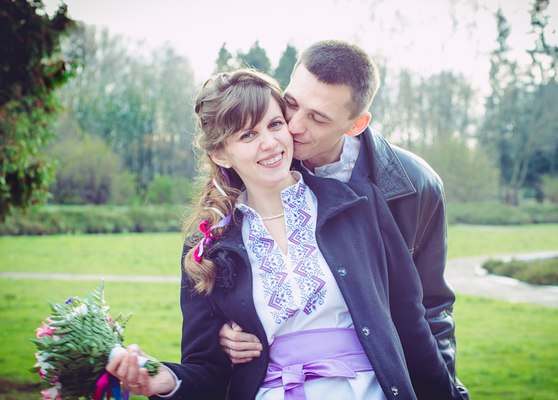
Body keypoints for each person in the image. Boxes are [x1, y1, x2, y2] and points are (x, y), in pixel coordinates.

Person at [106, 69, 463, 400]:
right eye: (248, 135)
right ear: (221, 154)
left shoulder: (359, 206)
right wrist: (164, 379)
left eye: (275, 124)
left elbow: (411, 325)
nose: (270, 143)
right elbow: (208, 372)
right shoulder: (208, 248)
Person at [218, 40, 469, 398]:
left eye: (318, 118)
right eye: (292, 104)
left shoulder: (415, 185)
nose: (293, 126)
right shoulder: (261, 163)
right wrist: (225, 330)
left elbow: (431, 306)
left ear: (356, 124)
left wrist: (446, 390)